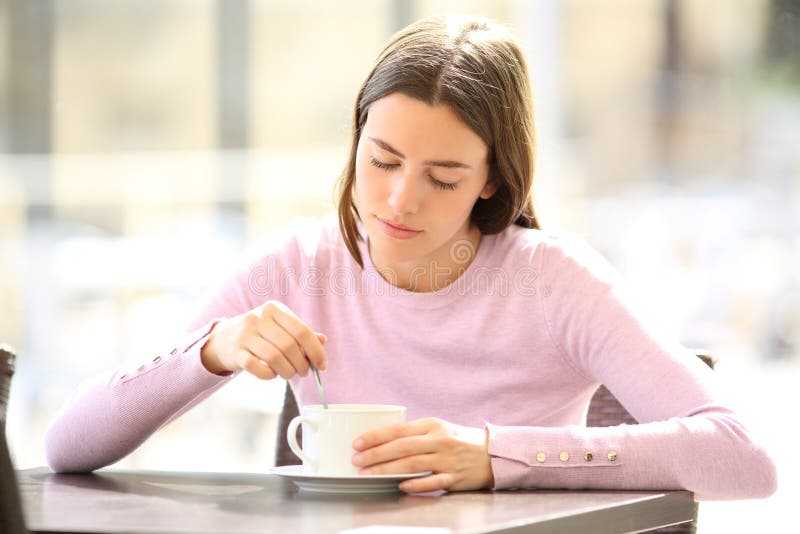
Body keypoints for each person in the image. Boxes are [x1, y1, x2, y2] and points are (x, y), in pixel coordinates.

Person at [45, 14, 776, 499]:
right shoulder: (295, 265)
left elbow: (743, 459)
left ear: (492, 178)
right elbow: (67, 446)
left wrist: (497, 456)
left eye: (443, 177)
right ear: (355, 140)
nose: (398, 201)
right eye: (382, 160)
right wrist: (210, 351)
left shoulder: (555, 280)